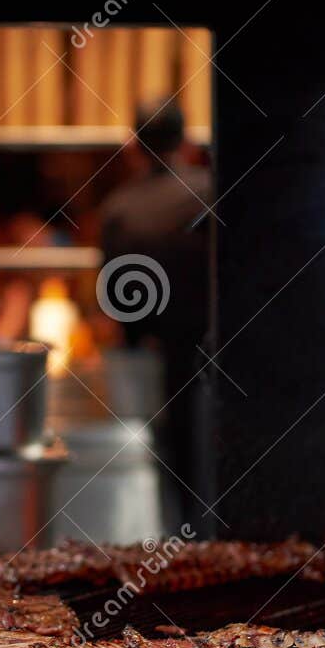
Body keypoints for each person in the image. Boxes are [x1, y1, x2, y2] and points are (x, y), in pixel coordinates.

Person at [97, 98, 213, 531]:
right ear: (185, 141)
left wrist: (133, 340)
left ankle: (183, 548)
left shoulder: (121, 210)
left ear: (133, 146)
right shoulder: (210, 192)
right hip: (225, 348)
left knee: (171, 464)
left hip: (163, 356)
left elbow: (117, 303)